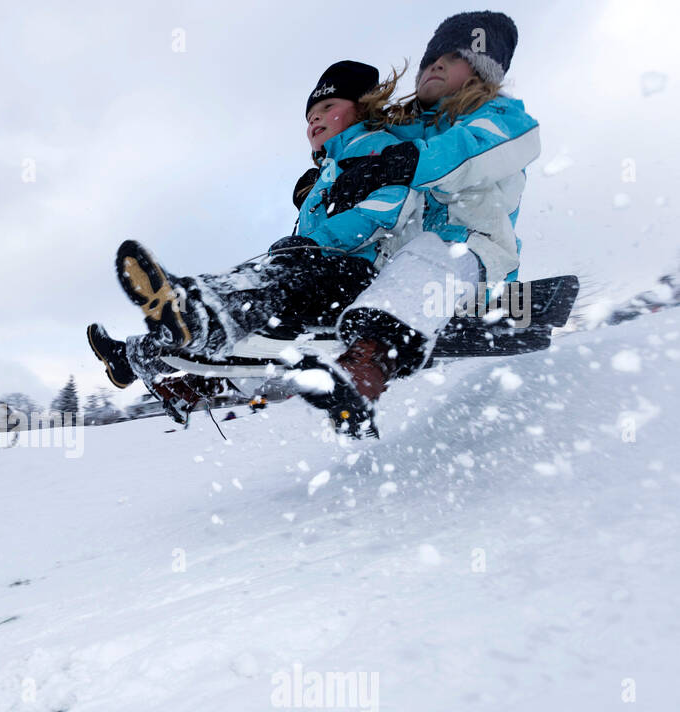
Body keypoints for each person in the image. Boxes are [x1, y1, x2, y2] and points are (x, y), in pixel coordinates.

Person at [88, 59, 418, 406]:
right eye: (309, 117)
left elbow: (386, 209)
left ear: (362, 107)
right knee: (243, 293)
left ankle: (196, 317)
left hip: (359, 279)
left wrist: (314, 245)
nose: (315, 120)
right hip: (316, 275)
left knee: (253, 296)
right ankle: (133, 356)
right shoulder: (329, 170)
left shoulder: (381, 149)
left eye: (327, 107)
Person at [286, 11, 536, 435]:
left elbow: (469, 150)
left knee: (433, 251)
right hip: (396, 265)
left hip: (474, 254)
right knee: (323, 272)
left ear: (482, 73)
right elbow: (360, 143)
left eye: (454, 58)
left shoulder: (501, 118)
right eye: (431, 59)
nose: (436, 64)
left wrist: (400, 163)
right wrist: (335, 174)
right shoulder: (406, 127)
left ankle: (365, 368)